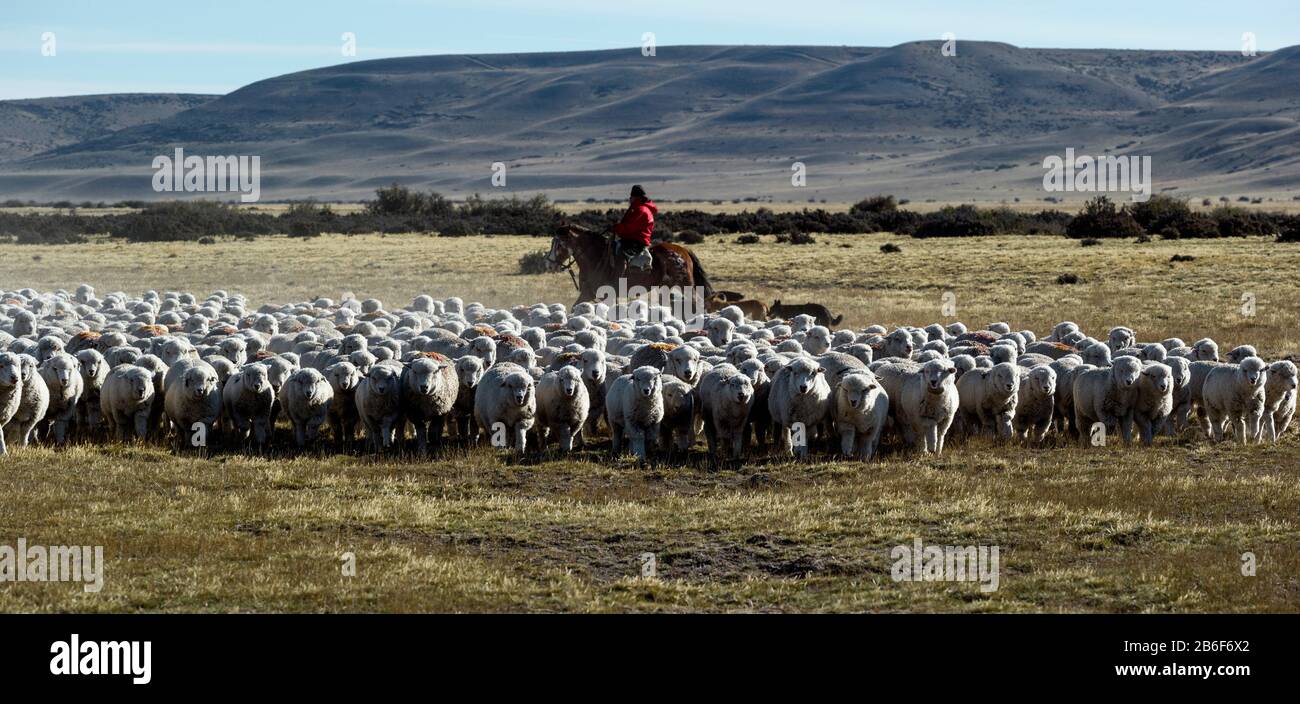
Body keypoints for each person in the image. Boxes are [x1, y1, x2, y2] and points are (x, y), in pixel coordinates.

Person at [608, 185, 656, 271]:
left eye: (631, 197)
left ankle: (618, 279)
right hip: (635, 239)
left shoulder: (640, 210)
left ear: (635, 197)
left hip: (636, 241)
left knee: (621, 253)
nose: (630, 199)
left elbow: (629, 228)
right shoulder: (641, 208)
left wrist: (616, 228)